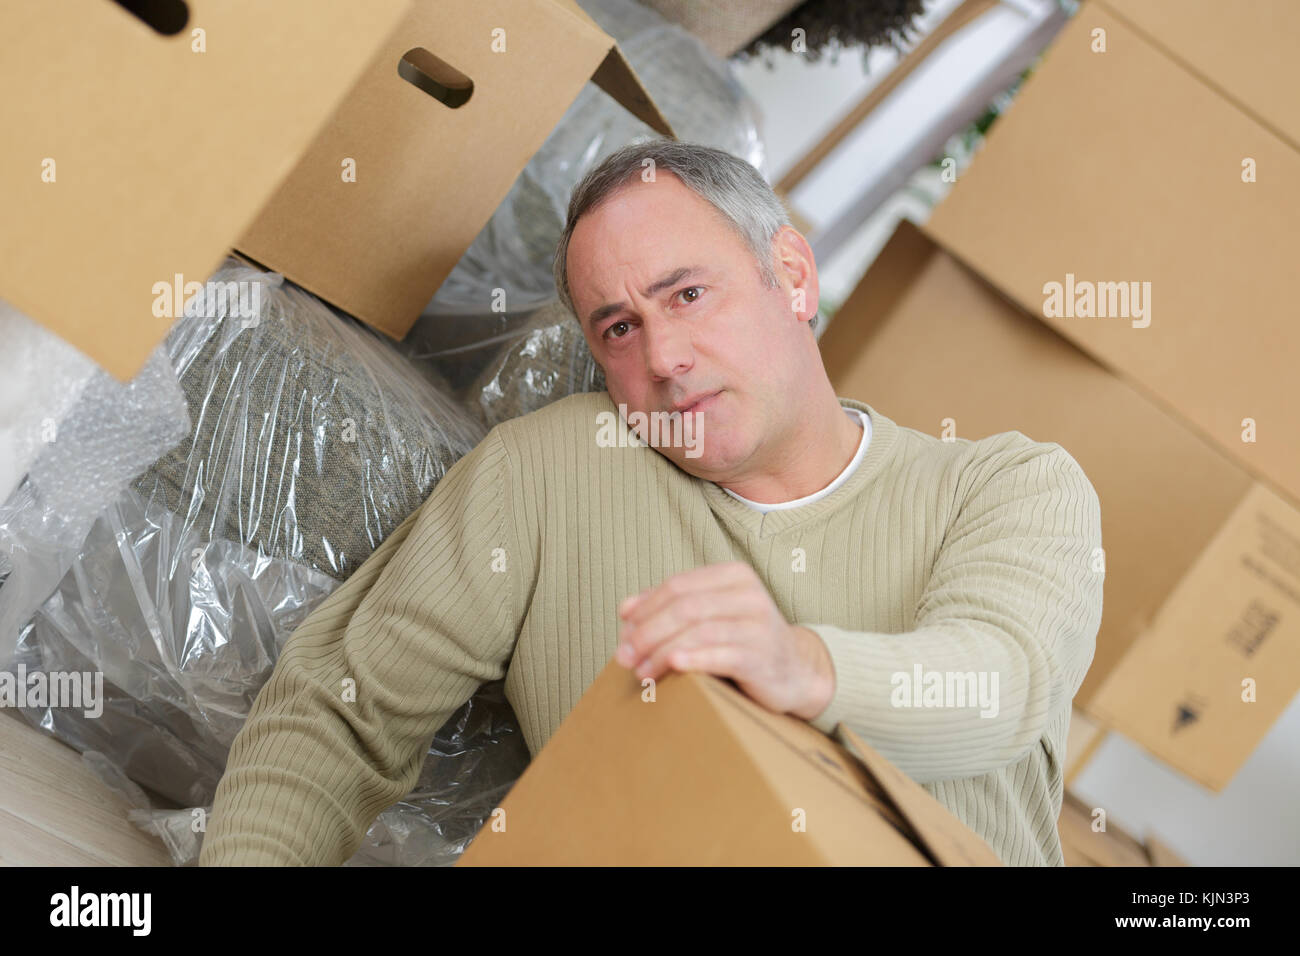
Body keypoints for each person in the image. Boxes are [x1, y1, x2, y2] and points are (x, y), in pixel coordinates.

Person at [200, 140, 1103, 866]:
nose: (664, 356)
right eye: (620, 328)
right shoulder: (547, 476)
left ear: (791, 274)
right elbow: (340, 714)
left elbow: (1000, 684)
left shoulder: (1007, 487)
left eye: (689, 294)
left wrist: (800, 670)